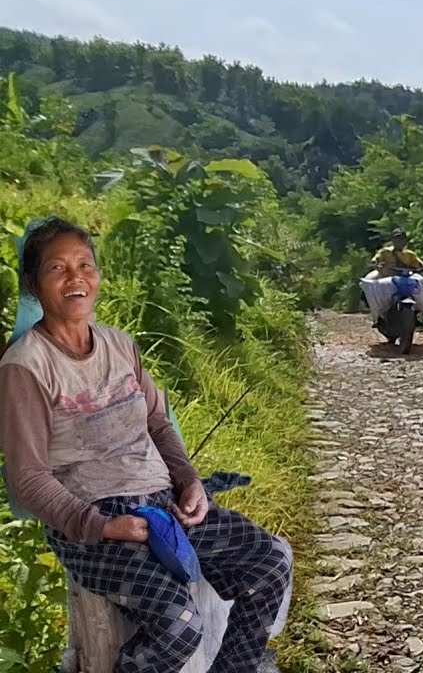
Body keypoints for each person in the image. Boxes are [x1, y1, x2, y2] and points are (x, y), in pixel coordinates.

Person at [0, 217, 292, 673]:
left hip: (163, 507)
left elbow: (158, 422)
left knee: (268, 563)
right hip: (93, 524)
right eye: (58, 268)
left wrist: (190, 482)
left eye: (85, 265)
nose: (76, 278)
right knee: (179, 625)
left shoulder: (120, 346)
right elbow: (28, 476)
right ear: (33, 284)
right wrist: (102, 526)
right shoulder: (26, 366)